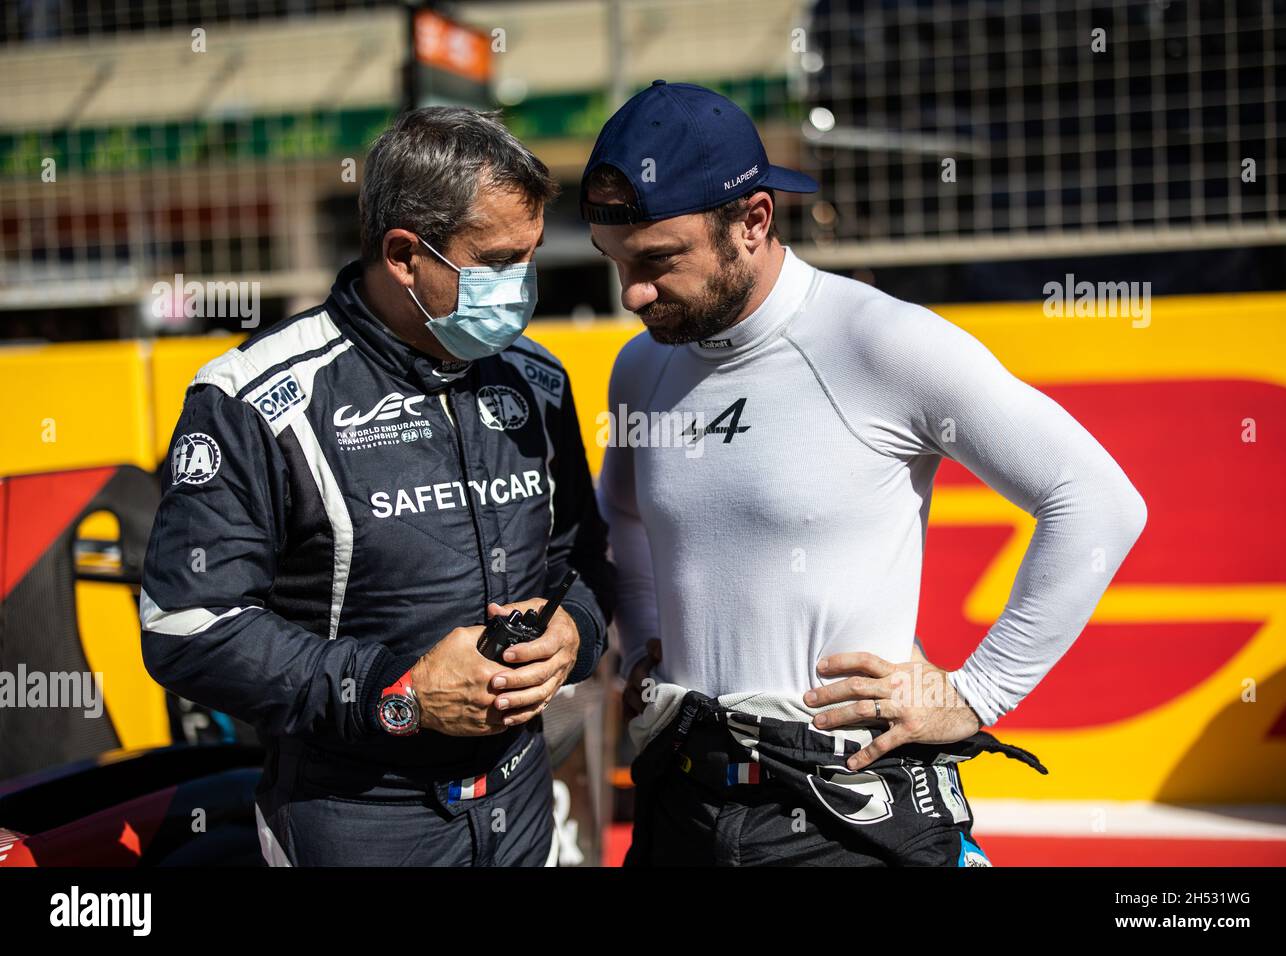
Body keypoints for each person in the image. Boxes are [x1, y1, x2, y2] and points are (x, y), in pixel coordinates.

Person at [586, 81, 1146, 866]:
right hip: (683, 805)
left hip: (844, 815)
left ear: (753, 221)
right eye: (615, 261)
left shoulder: (878, 341)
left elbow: (1097, 500)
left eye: (658, 261)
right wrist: (644, 647)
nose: (632, 292)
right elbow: (629, 520)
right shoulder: (639, 365)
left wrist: (976, 694)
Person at [140, 107, 615, 866]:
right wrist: (398, 693)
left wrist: (574, 633)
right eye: (497, 261)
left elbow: (584, 557)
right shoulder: (255, 398)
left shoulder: (537, 381)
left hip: (522, 800)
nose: (521, 284)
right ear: (403, 255)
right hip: (357, 816)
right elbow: (185, 625)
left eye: (529, 259)